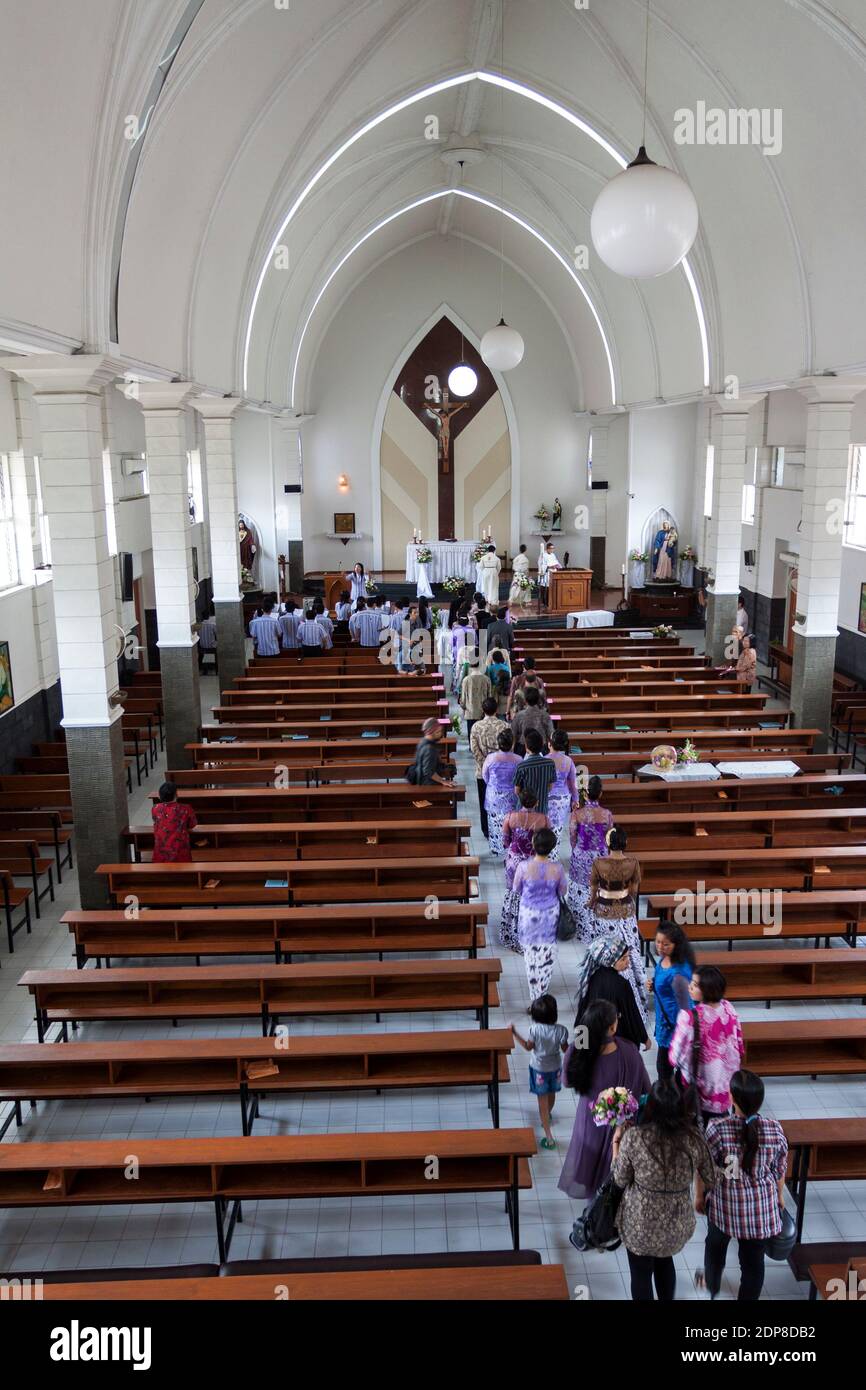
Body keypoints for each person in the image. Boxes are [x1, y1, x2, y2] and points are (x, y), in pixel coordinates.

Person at [612, 1080, 716, 1301]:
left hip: (640, 1223)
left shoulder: (635, 1138)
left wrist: (615, 1146)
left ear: (650, 1108)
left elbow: (619, 1179)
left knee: (640, 1274)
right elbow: (712, 1177)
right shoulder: (693, 1139)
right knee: (665, 1262)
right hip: (676, 1223)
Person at [697, 1069, 788, 1302]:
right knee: (753, 1264)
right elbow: (779, 1169)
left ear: (731, 1098)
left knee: (715, 1248)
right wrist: (779, 1197)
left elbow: (704, 1169)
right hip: (760, 1212)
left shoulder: (717, 1129)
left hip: (725, 1206)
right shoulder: (774, 1129)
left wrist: (699, 1197)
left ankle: (713, 1286)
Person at [558, 1000, 651, 1201]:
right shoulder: (629, 1051)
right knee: (615, 1172)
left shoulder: (578, 1049)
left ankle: (593, 1213)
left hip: (590, 1125)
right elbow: (646, 1088)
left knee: (590, 1169)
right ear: (612, 1026)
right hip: (623, 1128)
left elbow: (566, 1081)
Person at [669, 965, 745, 1127]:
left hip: (698, 1093)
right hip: (725, 1091)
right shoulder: (729, 1009)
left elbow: (674, 1057)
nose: (689, 986)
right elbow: (740, 1046)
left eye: (695, 985)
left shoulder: (689, 1018)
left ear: (707, 989)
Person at [587, 827, 647, 1025]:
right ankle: (637, 996)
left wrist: (591, 902)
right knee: (630, 950)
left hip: (604, 912)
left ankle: (603, 994)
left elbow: (593, 890)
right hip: (626, 911)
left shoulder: (598, 863)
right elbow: (635, 890)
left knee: (607, 952)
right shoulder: (633, 863)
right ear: (625, 843)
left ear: (608, 843)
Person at [512, 827, 568, 1000]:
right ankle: (541, 991)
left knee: (530, 953)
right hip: (550, 915)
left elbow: (516, 889)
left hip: (529, 914)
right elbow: (563, 890)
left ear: (534, 844)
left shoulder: (523, 867)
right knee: (547, 951)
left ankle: (534, 994)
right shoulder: (557, 869)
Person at [572, 933, 649, 1050]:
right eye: (623, 959)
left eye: (628, 957)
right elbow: (631, 1014)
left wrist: (580, 1043)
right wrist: (644, 1038)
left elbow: (582, 1011)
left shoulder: (589, 978)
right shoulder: (621, 984)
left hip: (592, 1040)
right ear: (610, 960)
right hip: (615, 1040)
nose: (628, 962)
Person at [511, 994, 569, 1150]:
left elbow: (528, 1047)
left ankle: (548, 1135)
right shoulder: (562, 1030)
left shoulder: (534, 1030)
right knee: (552, 1093)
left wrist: (515, 1033)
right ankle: (548, 1115)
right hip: (555, 1068)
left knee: (541, 1101)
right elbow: (566, 1050)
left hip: (539, 1070)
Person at [500, 787, 549, 951]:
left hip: (515, 862)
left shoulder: (510, 816)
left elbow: (506, 841)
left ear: (520, 801)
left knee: (514, 895)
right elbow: (547, 842)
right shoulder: (543, 819)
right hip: (534, 862)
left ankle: (512, 932)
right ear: (536, 802)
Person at [566, 775, 614, 934]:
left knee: (580, 889)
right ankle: (598, 924)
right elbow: (608, 837)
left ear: (586, 793)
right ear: (600, 794)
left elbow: (572, 836)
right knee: (598, 888)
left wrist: (577, 850)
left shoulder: (577, 814)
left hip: (581, 856)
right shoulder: (607, 814)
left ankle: (579, 923)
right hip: (600, 857)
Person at [651, 919, 696, 1081]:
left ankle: (672, 1100)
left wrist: (681, 1030)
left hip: (674, 1026)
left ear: (676, 945)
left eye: (666, 944)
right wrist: (654, 985)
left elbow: (686, 1007)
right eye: (658, 942)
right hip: (665, 1021)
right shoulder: (664, 959)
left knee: (665, 1070)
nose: (660, 947)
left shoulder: (679, 974)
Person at [469, 696, 507, 837]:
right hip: (502, 771)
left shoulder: (476, 727)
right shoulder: (504, 726)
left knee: (484, 800)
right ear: (496, 710)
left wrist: (485, 764)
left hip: (482, 771)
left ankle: (486, 829)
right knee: (502, 799)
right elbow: (509, 747)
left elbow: (474, 749)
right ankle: (502, 827)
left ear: (482, 710)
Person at [481, 729, 522, 856]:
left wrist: (493, 785)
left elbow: (485, 776)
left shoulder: (490, 758)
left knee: (494, 822)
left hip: (494, 795)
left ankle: (497, 847)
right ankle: (509, 847)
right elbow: (520, 779)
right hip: (511, 796)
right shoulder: (518, 759)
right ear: (512, 744)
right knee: (510, 822)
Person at [546, 729, 579, 860]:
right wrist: (575, 799)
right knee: (558, 827)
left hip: (547, 797)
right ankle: (553, 855)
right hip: (562, 799)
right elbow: (573, 783)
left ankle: (544, 852)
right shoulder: (568, 761)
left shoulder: (545, 759)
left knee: (546, 825)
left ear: (550, 743)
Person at [152, 781, 197, 863]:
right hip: (180, 851)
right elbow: (192, 825)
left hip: (161, 852)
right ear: (176, 794)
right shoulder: (186, 809)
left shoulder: (155, 808)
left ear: (160, 796)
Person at [513, 727, 556, 815]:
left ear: (526, 747)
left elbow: (517, 791)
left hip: (524, 808)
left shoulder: (522, 766)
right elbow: (551, 787)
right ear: (542, 745)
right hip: (542, 807)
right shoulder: (550, 763)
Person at [407, 718, 454, 788]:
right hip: (428, 785)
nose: (441, 734)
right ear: (433, 731)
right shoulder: (429, 748)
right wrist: (442, 781)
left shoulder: (423, 741)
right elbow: (428, 771)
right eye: (439, 731)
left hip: (422, 780)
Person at [511, 685, 553, 754]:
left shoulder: (519, 715)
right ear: (538, 700)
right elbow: (551, 733)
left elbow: (513, 734)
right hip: (542, 747)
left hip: (523, 748)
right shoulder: (545, 715)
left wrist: (512, 749)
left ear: (525, 700)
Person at [459, 661, 492, 737]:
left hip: (470, 711)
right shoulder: (487, 679)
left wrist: (463, 707)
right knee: (482, 734)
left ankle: (472, 748)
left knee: (471, 734)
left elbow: (463, 699)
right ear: (480, 665)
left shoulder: (466, 680)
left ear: (470, 666)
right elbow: (489, 697)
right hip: (484, 711)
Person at [450, 609, 474, 694]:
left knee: (457, 670)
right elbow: (476, 642)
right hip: (471, 654)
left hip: (458, 654)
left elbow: (451, 644)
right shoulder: (472, 630)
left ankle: (457, 687)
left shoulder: (456, 631)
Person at [509, 544, 531, 608]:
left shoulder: (516, 558)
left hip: (516, 574)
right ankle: (524, 601)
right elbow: (526, 570)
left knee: (514, 587)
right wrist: (527, 576)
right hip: (522, 575)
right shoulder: (525, 559)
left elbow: (513, 567)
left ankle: (511, 600)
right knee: (525, 588)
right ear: (525, 550)